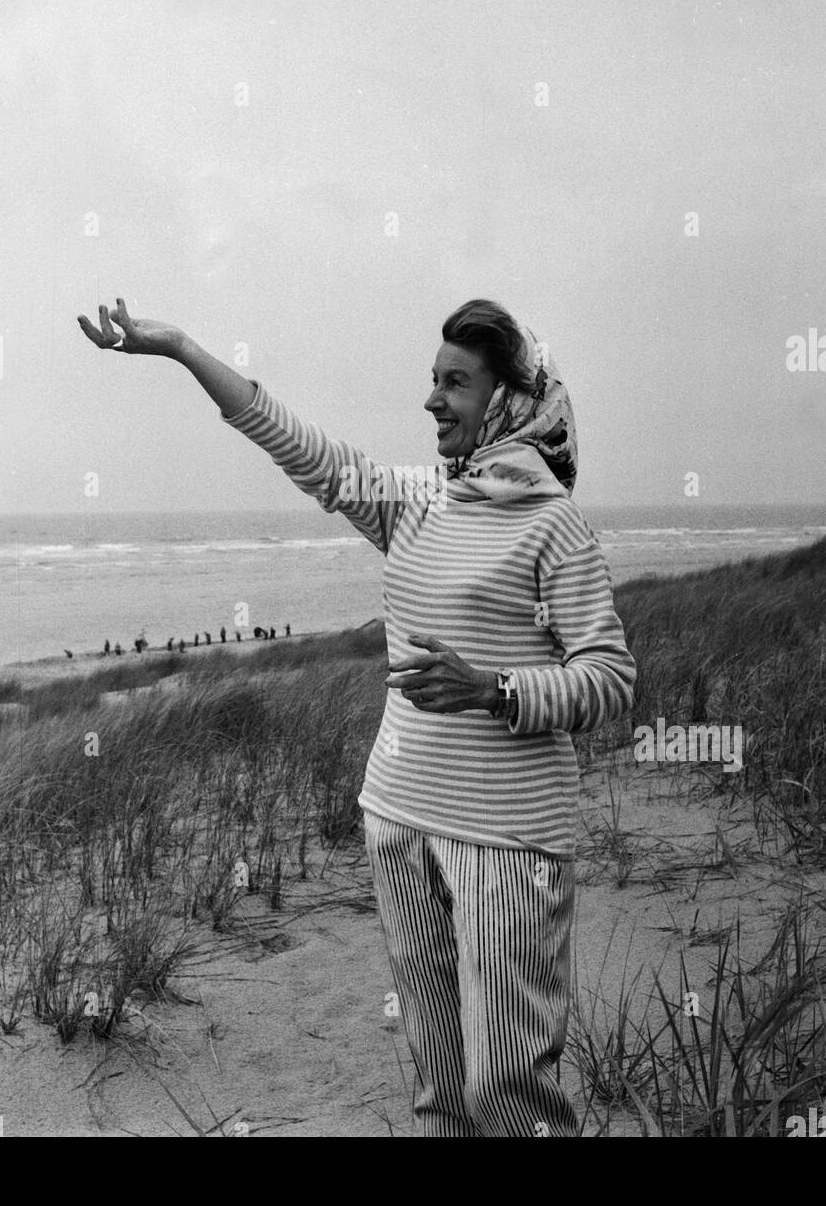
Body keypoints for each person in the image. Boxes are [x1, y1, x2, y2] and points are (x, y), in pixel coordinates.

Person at [77, 295, 636, 1137]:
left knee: (508, 1093)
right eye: (432, 379)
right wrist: (183, 349)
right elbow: (293, 442)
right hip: (399, 821)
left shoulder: (555, 528)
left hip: (506, 843)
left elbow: (609, 678)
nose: (432, 400)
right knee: (442, 1088)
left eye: (455, 383)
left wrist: (495, 690)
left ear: (509, 400)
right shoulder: (415, 501)